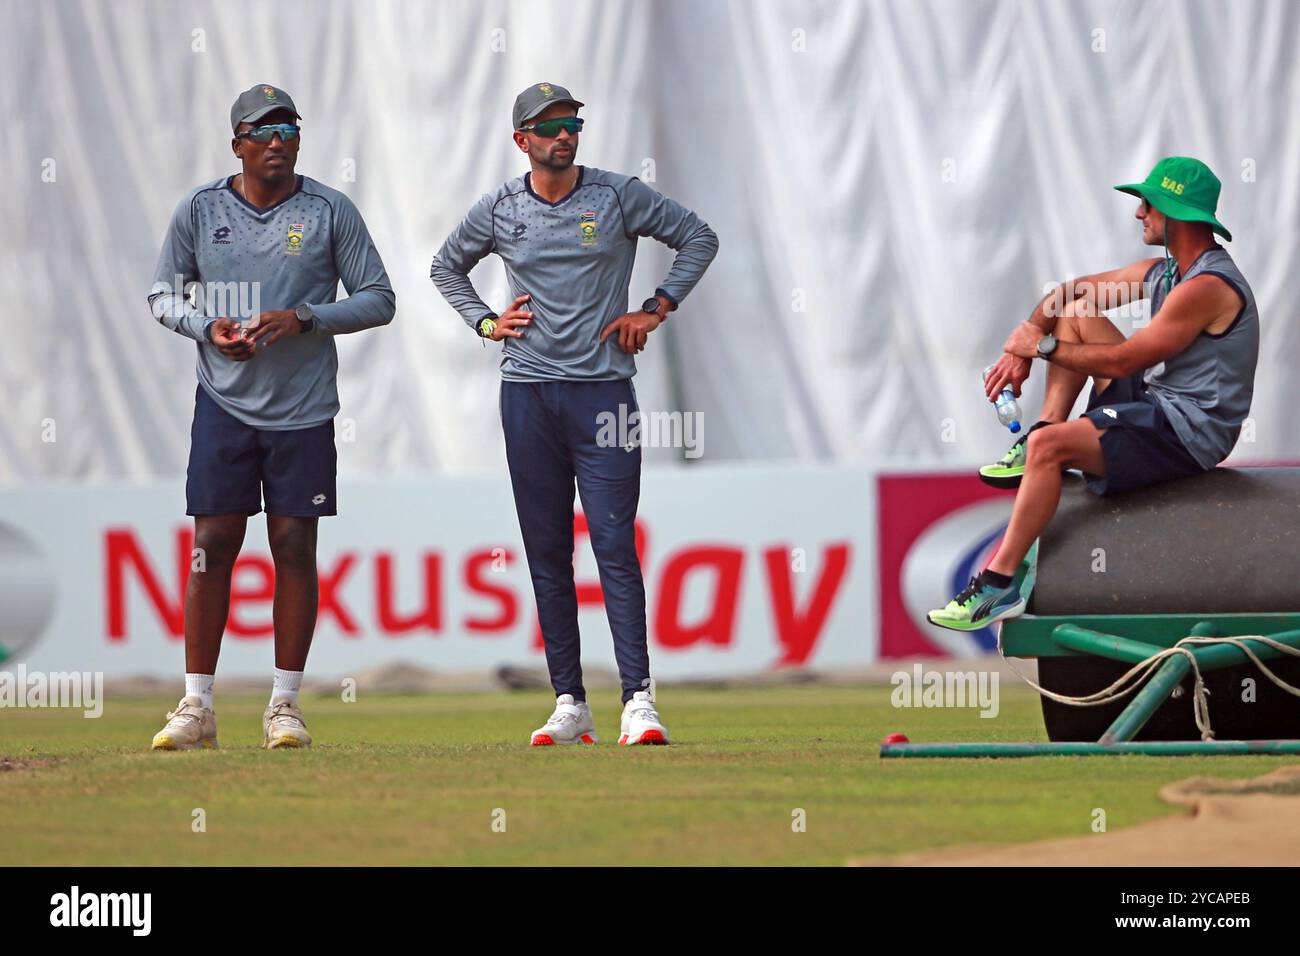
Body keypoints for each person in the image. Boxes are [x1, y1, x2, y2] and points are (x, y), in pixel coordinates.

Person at [431, 82, 719, 745]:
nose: (564, 134)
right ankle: (570, 703)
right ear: (521, 140)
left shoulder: (617, 195)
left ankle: (639, 701)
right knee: (547, 553)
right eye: (550, 125)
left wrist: (656, 307)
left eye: (572, 124)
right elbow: (446, 266)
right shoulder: (501, 208)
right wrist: (484, 321)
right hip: (527, 395)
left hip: (603, 395)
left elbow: (697, 237)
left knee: (616, 546)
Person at [147, 84, 395, 747]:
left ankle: (285, 705)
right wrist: (206, 327)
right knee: (212, 547)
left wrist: (306, 317)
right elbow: (161, 292)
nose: (279, 141)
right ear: (238, 145)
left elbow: (379, 298)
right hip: (225, 406)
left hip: (304, 410)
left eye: (289, 130)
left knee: (293, 545)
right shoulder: (200, 211)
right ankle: (197, 707)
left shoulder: (328, 211)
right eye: (264, 132)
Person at [929, 156, 1257, 631]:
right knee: (1076, 312)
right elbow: (1068, 293)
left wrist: (1039, 347)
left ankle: (999, 586)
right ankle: (1042, 428)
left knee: (1049, 449)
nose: (1139, 213)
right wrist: (1019, 348)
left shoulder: (1206, 287)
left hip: (1187, 434)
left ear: (1176, 212)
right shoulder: (1168, 272)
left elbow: (1126, 362)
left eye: (1147, 203)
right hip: (1159, 406)